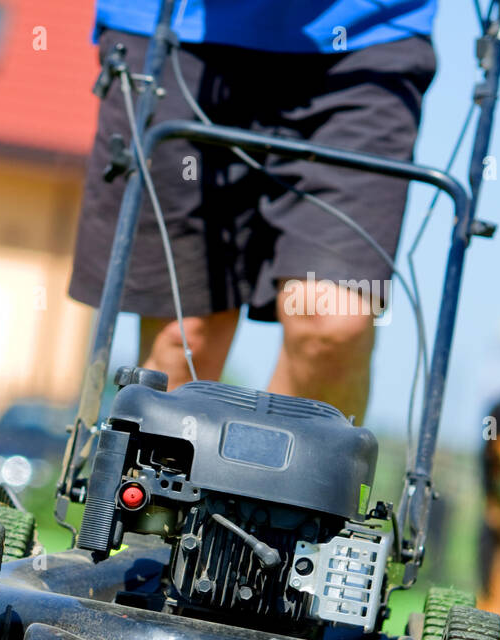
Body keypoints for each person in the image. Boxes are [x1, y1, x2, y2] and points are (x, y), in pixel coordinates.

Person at [70, 0, 439, 422]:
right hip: (179, 31)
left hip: (364, 38)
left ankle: (284, 484)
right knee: (185, 337)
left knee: (331, 323)